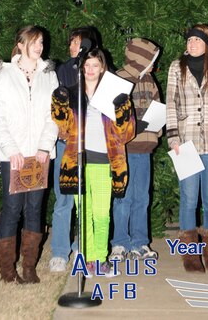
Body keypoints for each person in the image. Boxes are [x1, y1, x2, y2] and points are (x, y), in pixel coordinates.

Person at [51, 47, 135, 275]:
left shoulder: (114, 94)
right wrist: (59, 105)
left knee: (101, 213)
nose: (90, 69)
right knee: (84, 214)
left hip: (105, 161)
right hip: (77, 161)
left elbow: (127, 134)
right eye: (87, 65)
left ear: (102, 68)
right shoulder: (73, 94)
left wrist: (122, 109)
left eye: (95, 65)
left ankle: (100, 259)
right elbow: (64, 130)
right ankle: (87, 259)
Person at [0, 25, 58, 284]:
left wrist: (44, 147)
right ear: (20, 44)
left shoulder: (49, 75)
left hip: (39, 155)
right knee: (12, 209)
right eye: (34, 41)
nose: (39, 46)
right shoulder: (4, 75)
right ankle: (7, 271)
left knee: (35, 209)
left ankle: (29, 268)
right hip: (14, 156)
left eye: (41, 41)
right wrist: (11, 150)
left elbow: (55, 114)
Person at [165, 24, 208, 273]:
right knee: (188, 199)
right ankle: (191, 256)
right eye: (189, 40)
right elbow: (170, 102)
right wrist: (173, 137)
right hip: (186, 143)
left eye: (197, 40)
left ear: (207, 43)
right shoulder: (176, 67)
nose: (192, 43)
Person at [49, 26, 99, 273]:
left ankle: (82, 246)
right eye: (71, 42)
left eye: (77, 42)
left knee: (88, 199)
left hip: (92, 145)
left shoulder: (101, 70)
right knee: (64, 199)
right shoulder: (63, 70)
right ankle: (59, 252)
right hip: (66, 144)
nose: (72, 47)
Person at [109, 37, 162, 264]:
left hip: (145, 148)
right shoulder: (117, 79)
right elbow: (109, 115)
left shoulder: (150, 81)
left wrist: (156, 127)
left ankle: (140, 242)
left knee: (142, 197)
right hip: (124, 149)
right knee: (123, 198)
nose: (154, 64)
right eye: (151, 60)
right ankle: (119, 243)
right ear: (140, 59)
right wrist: (132, 126)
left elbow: (157, 107)